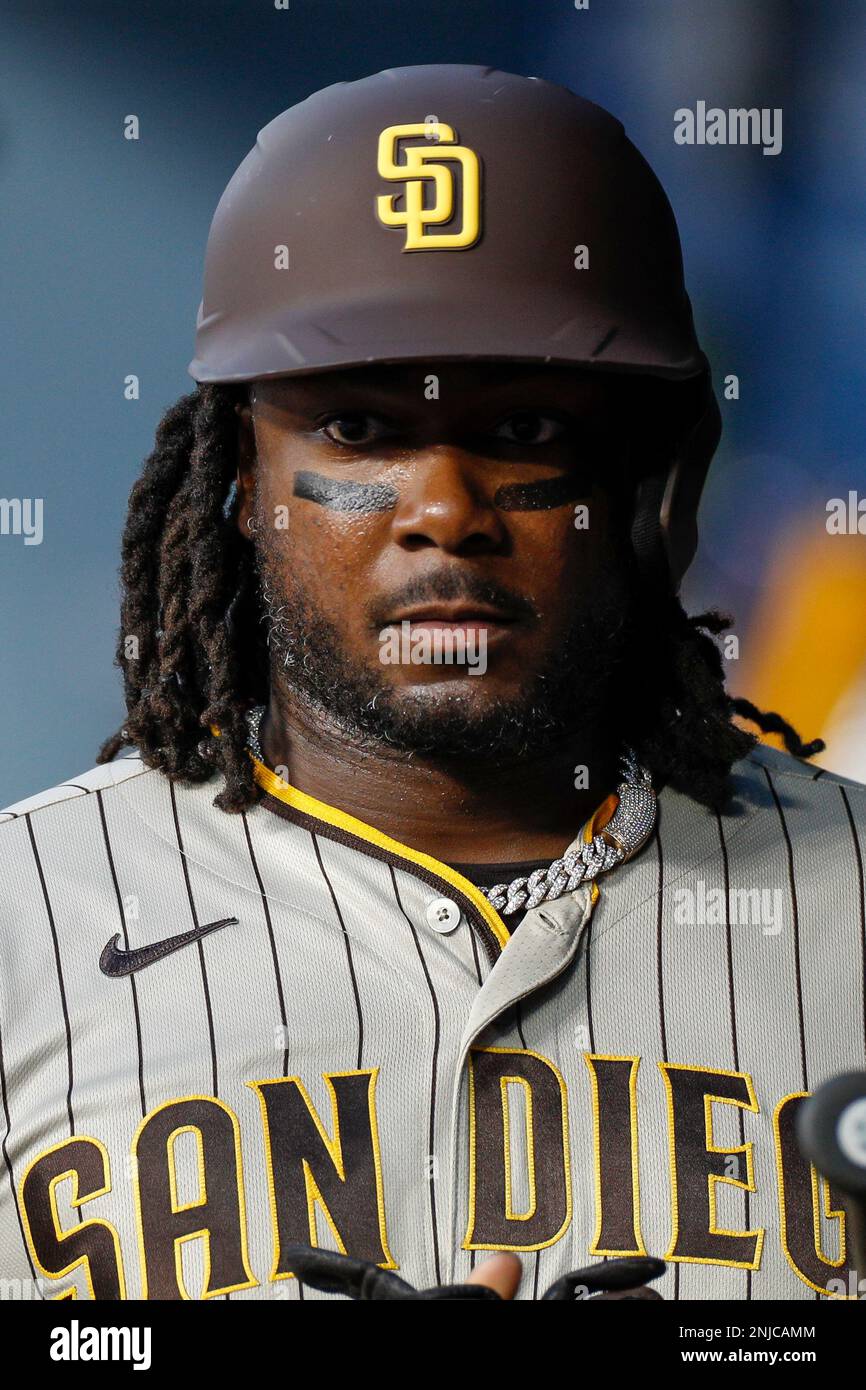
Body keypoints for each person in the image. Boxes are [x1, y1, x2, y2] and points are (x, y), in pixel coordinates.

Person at [1, 65, 863, 1302]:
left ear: (652, 485)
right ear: (241, 479)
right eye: (358, 431)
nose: (443, 511)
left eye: (520, 432)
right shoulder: (19, 931)